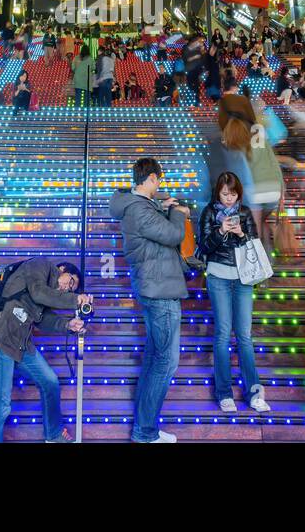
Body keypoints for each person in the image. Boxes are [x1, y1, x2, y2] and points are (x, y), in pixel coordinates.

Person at [109, 158, 192, 443]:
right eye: (159, 181)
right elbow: (172, 234)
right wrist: (179, 212)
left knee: (155, 360)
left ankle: (144, 429)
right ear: (153, 179)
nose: (161, 186)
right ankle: (145, 431)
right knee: (165, 363)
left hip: (157, 289)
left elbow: (157, 228)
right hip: (160, 292)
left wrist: (164, 207)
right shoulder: (139, 209)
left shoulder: (139, 207)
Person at [0, 259, 89, 443]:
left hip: (19, 343)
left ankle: (53, 434)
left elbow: (42, 318)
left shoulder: (49, 293)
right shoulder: (41, 265)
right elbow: (38, 293)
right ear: (61, 269)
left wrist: (67, 324)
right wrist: (75, 299)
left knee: (50, 381)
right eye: (70, 282)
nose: (68, 289)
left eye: (72, 289)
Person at [198, 173, 271, 413]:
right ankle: (224, 393)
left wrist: (241, 233)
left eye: (233, 194)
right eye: (224, 194)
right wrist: (220, 232)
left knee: (244, 336)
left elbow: (254, 244)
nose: (229, 199)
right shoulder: (209, 212)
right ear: (217, 192)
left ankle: (254, 392)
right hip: (218, 275)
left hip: (244, 278)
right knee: (221, 334)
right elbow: (204, 247)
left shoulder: (246, 213)